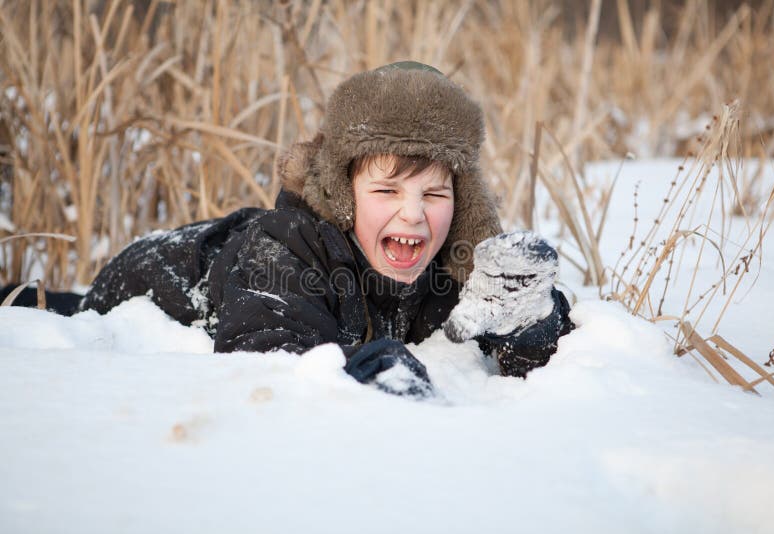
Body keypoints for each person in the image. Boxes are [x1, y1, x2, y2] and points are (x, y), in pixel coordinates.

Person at [10, 62, 574, 396]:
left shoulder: (450, 258)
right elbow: (268, 359)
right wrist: (371, 370)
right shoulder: (286, 251)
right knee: (47, 307)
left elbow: (554, 352)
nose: (413, 214)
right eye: (386, 190)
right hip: (161, 273)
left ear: (462, 202)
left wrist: (529, 321)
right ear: (343, 192)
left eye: (434, 194)